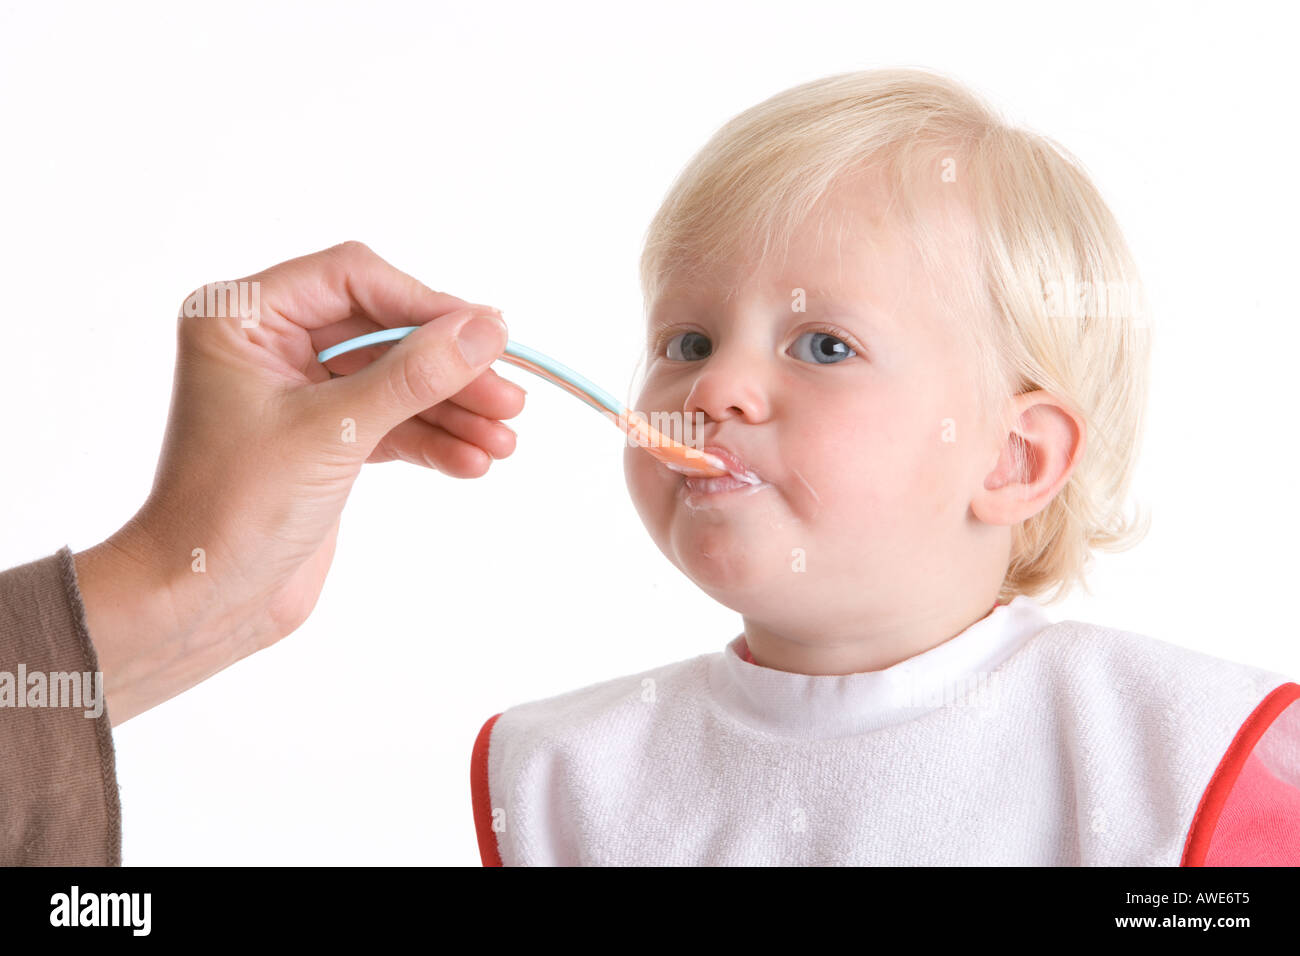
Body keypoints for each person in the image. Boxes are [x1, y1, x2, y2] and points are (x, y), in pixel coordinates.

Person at [469, 68, 1300, 865]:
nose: (715, 386)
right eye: (688, 343)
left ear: (1014, 458)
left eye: (825, 346)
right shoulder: (571, 779)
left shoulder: (1181, 762)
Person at [0, 241, 525, 865]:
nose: (680, 408)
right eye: (676, 345)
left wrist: (201, 598)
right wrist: (195, 590)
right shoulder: (554, 765)